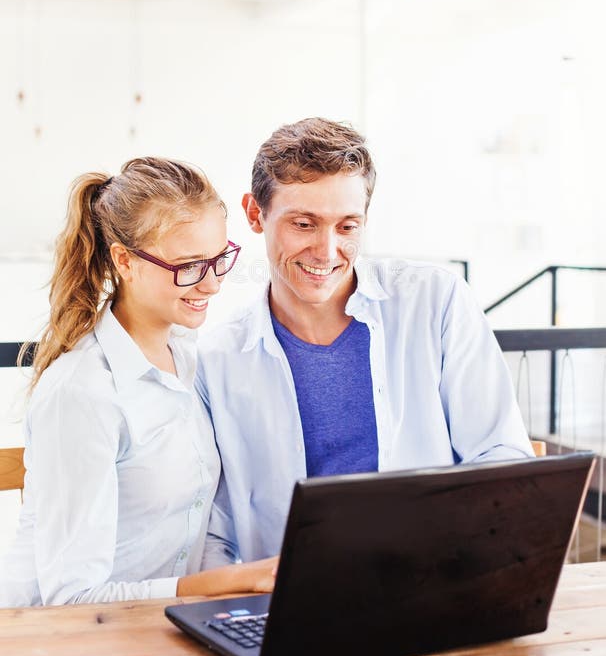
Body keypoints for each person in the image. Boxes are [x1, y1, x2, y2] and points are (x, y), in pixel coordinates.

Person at [197, 117, 534, 566]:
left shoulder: (436, 302)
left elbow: (500, 454)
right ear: (255, 214)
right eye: (304, 224)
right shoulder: (217, 360)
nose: (326, 251)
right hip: (292, 597)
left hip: (433, 578)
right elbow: (215, 530)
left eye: (347, 227)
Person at [0, 157, 275, 607]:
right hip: (56, 635)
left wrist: (232, 594)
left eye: (218, 259)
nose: (212, 285)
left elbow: (194, 527)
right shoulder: (82, 393)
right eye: (189, 266)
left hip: (154, 625)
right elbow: (71, 599)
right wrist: (228, 583)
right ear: (125, 261)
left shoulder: (188, 358)